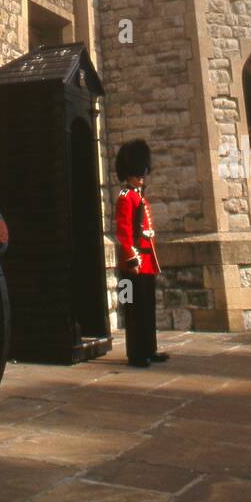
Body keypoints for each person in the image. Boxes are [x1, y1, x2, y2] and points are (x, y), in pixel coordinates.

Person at [115, 139, 169, 368]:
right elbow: (124, 232)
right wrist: (132, 258)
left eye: (142, 172)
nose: (141, 176)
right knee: (135, 310)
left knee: (147, 308)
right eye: (138, 173)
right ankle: (136, 353)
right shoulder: (126, 198)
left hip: (147, 261)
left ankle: (149, 348)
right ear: (129, 174)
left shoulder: (139, 197)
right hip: (136, 262)